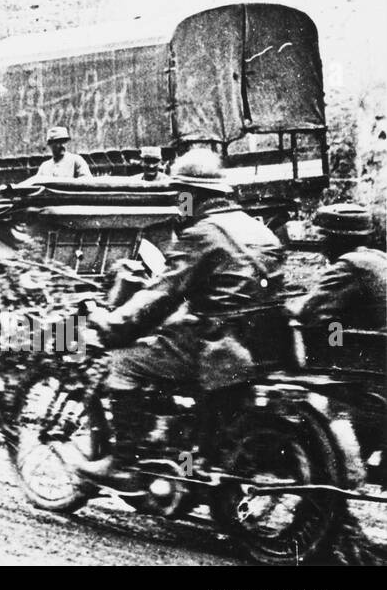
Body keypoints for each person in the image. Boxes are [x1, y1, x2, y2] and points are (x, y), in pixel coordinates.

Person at [78, 149, 288, 491]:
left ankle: (124, 463)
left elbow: (161, 295)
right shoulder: (259, 229)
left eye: (181, 197)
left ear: (192, 196)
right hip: (261, 347)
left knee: (125, 363)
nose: (179, 205)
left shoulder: (203, 233)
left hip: (216, 345)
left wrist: (112, 325)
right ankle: (185, 455)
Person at [288, 204, 386, 369]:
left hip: (374, 355)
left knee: (321, 328)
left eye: (324, 237)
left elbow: (309, 311)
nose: (321, 245)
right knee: (335, 324)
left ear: (336, 240)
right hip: (376, 345)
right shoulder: (378, 257)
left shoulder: (350, 264)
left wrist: (290, 306)